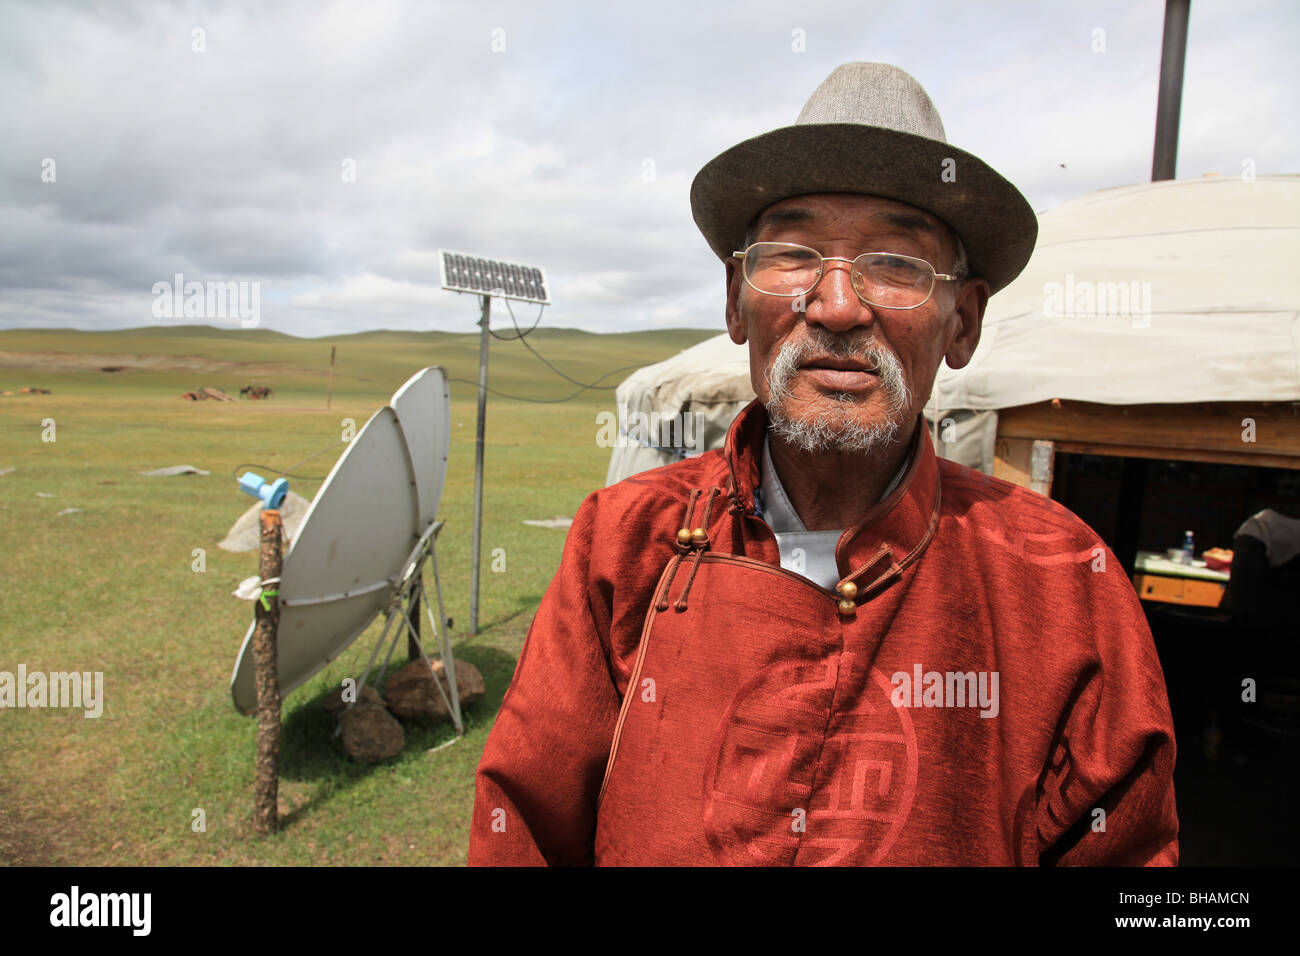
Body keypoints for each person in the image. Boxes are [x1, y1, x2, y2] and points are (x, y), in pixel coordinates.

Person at [468, 62, 1179, 866]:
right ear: (736, 300)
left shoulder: (1060, 586)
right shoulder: (623, 545)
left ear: (964, 323)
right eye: (793, 255)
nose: (837, 305)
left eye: (897, 264)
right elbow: (522, 832)